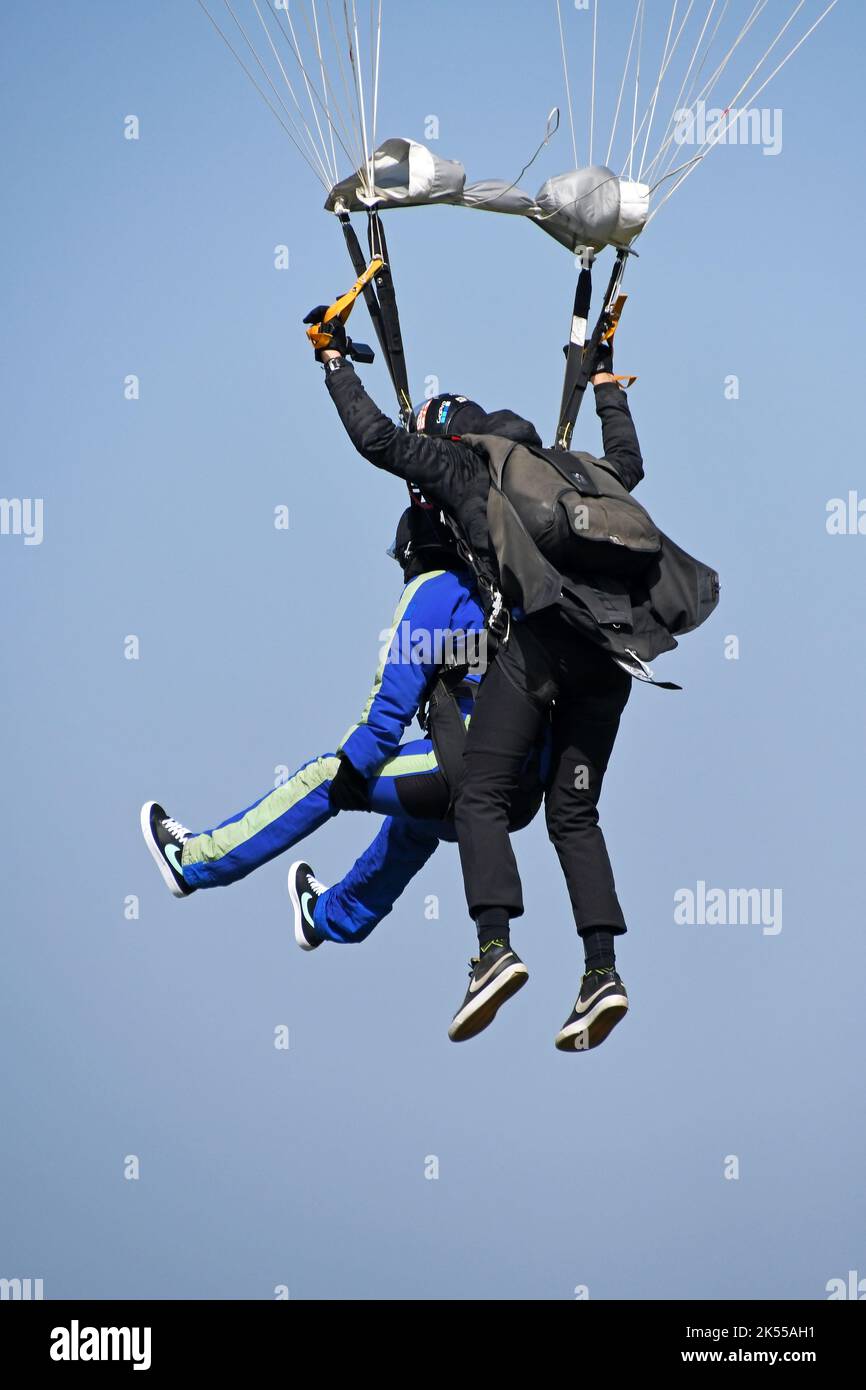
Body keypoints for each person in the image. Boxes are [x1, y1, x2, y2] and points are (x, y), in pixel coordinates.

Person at [314, 326, 643, 1050]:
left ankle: (494, 950)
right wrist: (607, 387)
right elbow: (628, 465)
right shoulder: (562, 465)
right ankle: (602, 973)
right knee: (576, 817)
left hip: (543, 652)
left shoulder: (463, 471)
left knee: (481, 792)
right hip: (615, 658)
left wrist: (334, 363)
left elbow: (375, 441)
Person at [140, 504, 547, 956]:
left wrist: (351, 770)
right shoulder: (506, 599)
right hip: (521, 794)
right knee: (414, 820)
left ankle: (194, 863)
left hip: (468, 770)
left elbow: (387, 712)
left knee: (325, 779)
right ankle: (330, 916)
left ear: (413, 554)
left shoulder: (433, 591)